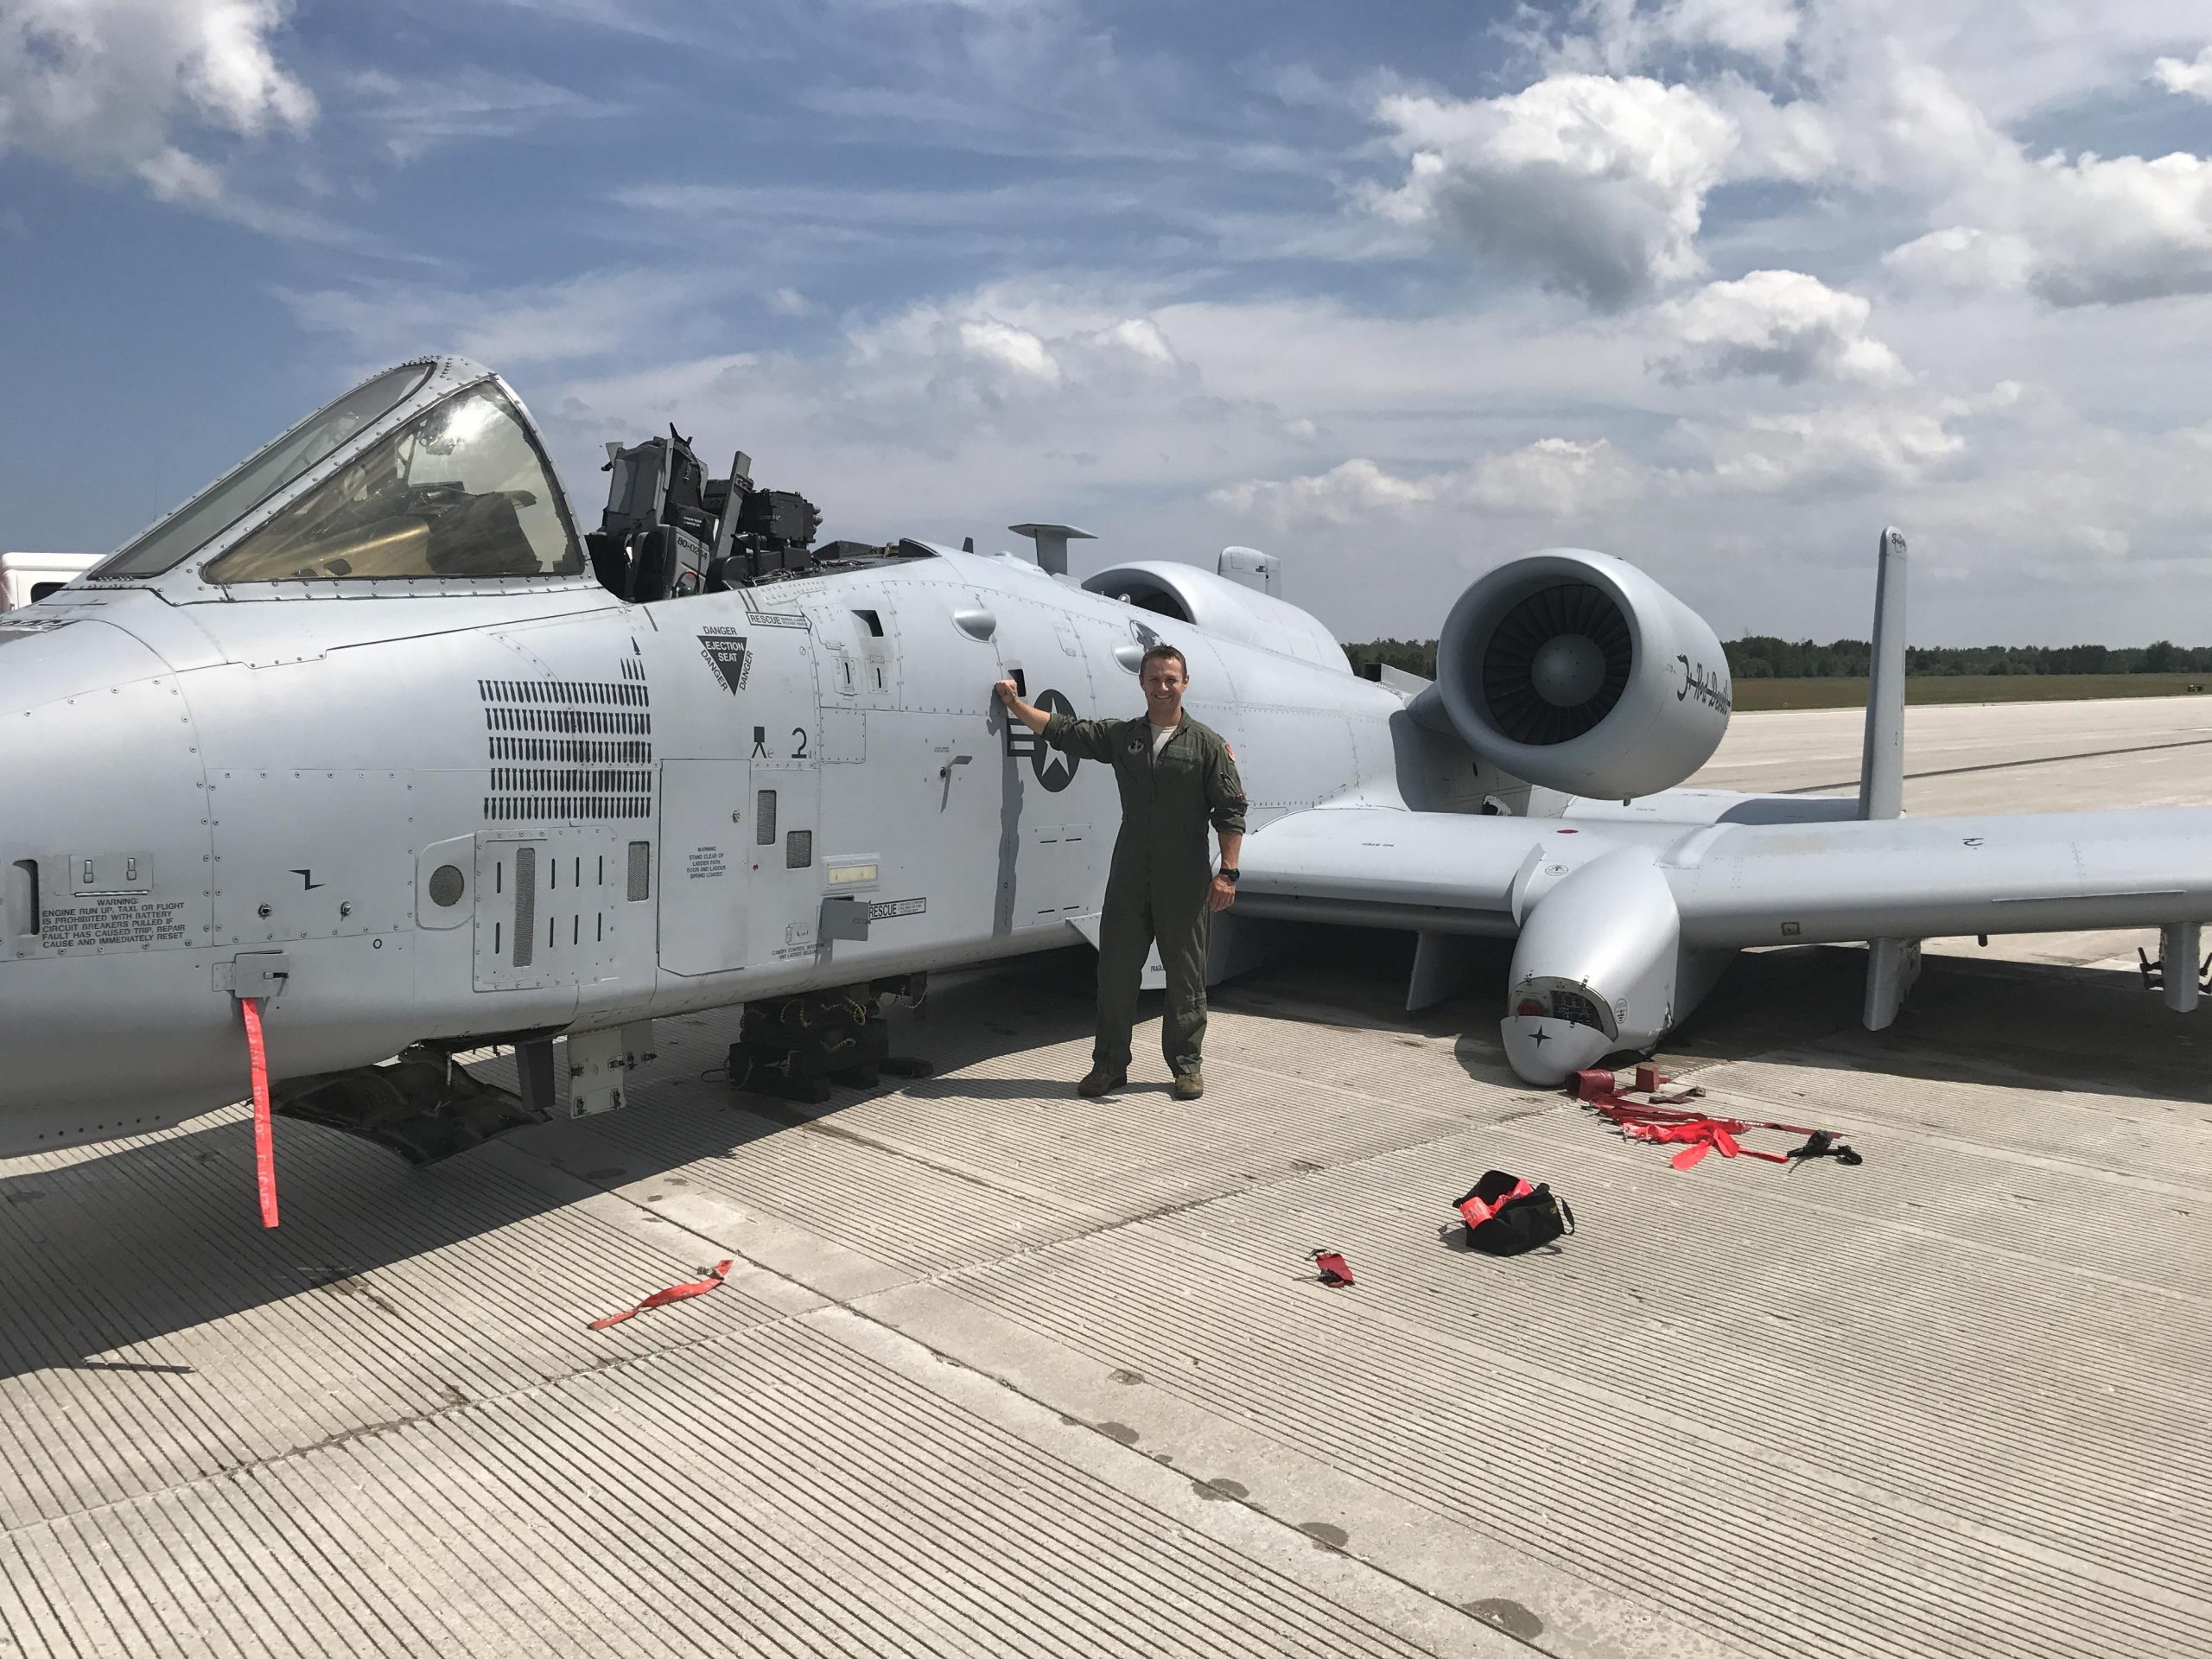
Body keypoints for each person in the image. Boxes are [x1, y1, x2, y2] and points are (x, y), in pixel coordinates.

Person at [995, 645, 1245, 1101]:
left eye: (1171, 679)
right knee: (1115, 975)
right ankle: (1109, 1066)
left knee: (1186, 979)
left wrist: (1227, 873)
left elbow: (1230, 812)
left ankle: (1186, 1066)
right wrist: (1014, 705)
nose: (1163, 686)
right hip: (1130, 875)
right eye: (1154, 679)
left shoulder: (1207, 745)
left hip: (1185, 880)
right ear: (1142, 684)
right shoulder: (1124, 737)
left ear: (1184, 683)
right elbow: (1064, 732)